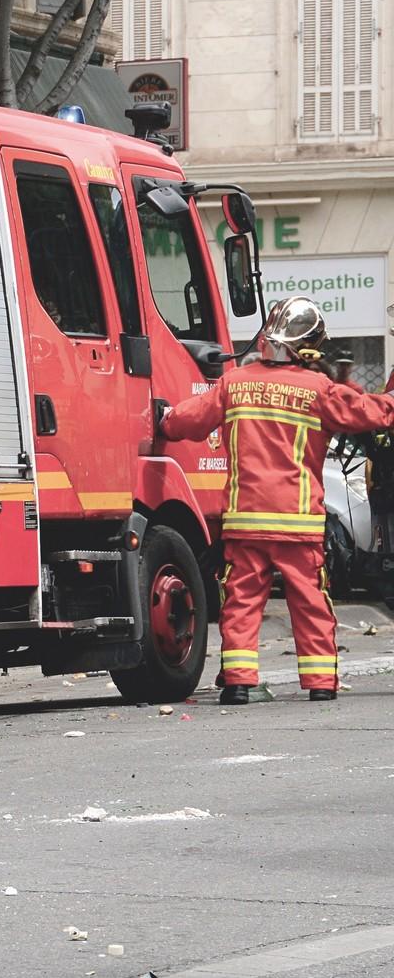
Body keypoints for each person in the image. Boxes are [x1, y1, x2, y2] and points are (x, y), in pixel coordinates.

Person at [160, 296, 394, 705]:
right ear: (308, 347)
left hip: (246, 521)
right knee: (309, 601)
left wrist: (163, 418)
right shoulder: (319, 389)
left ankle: (237, 682)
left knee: (242, 601)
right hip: (297, 521)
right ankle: (321, 684)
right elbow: (370, 413)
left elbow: (187, 421)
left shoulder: (235, 382)